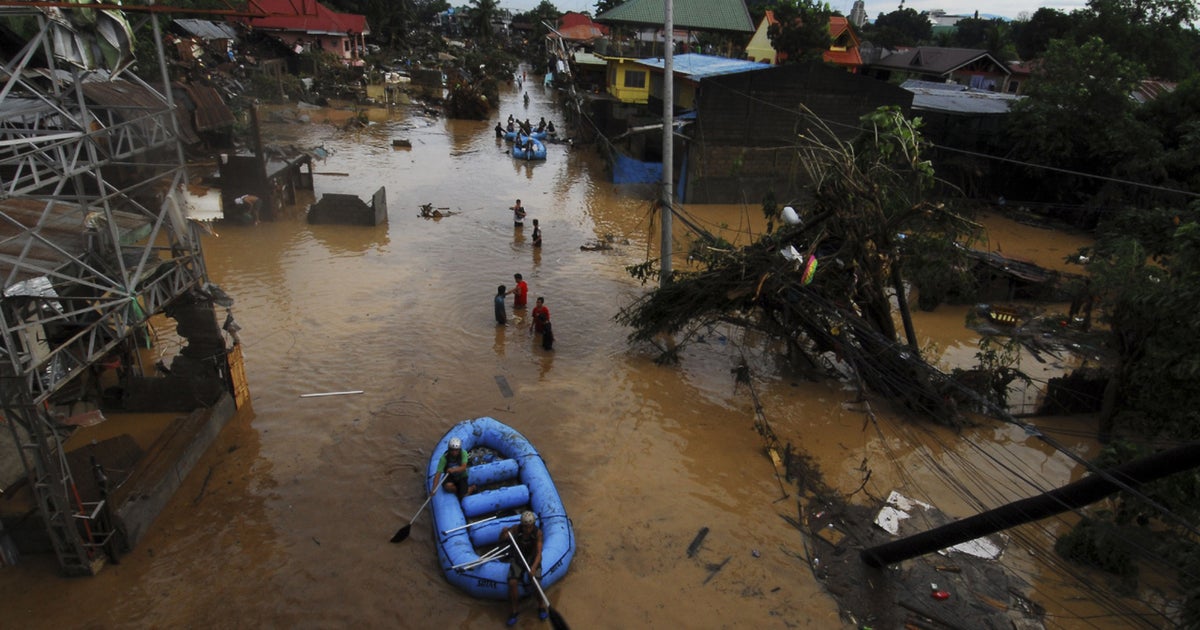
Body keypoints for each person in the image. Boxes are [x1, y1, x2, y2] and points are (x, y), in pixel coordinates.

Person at [502, 511, 545, 626]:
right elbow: (504, 538)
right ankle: (515, 611)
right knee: (512, 582)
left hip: (532, 559)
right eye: (525, 526)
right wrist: (503, 532)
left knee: (536, 583)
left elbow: (539, 553)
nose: (527, 529)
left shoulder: (538, 533)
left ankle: (541, 605)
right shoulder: (516, 529)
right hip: (519, 559)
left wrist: (534, 568)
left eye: (529, 527)